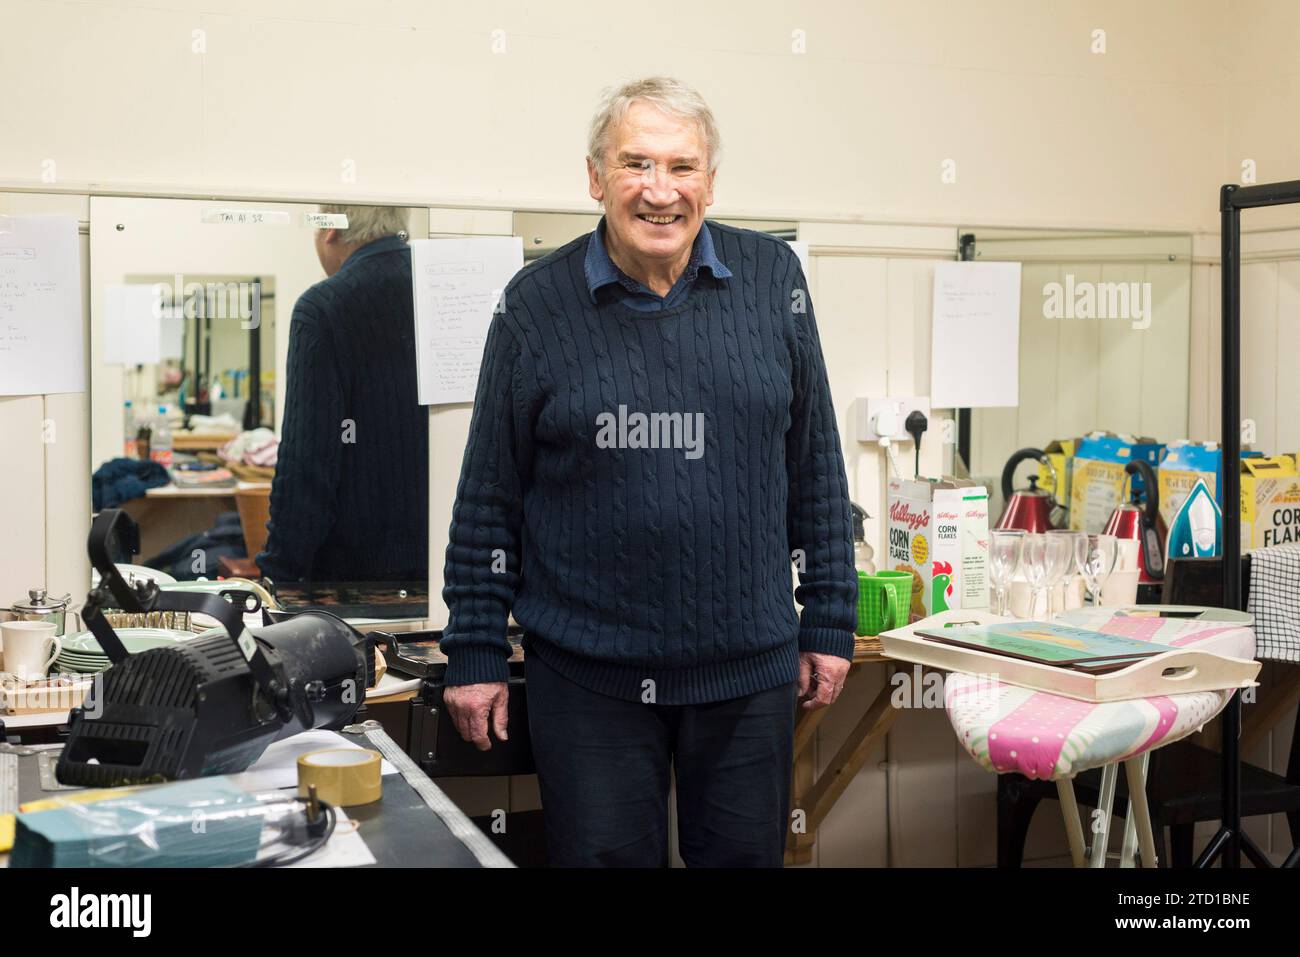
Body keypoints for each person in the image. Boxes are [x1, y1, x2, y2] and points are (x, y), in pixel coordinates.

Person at [440, 77, 856, 866]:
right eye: (636, 165)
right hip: (588, 683)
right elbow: (489, 492)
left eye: (682, 167)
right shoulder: (534, 305)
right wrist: (474, 646)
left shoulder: (775, 281)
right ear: (595, 179)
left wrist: (829, 617)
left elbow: (816, 464)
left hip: (748, 675)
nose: (660, 191)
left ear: (710, 181)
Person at [258, 205, 428, 583]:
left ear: (329, 231)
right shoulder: (445, 289)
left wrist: (278, 574)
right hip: (451, 561)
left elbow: (307, 459)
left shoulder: (321, 308)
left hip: (352, 574)